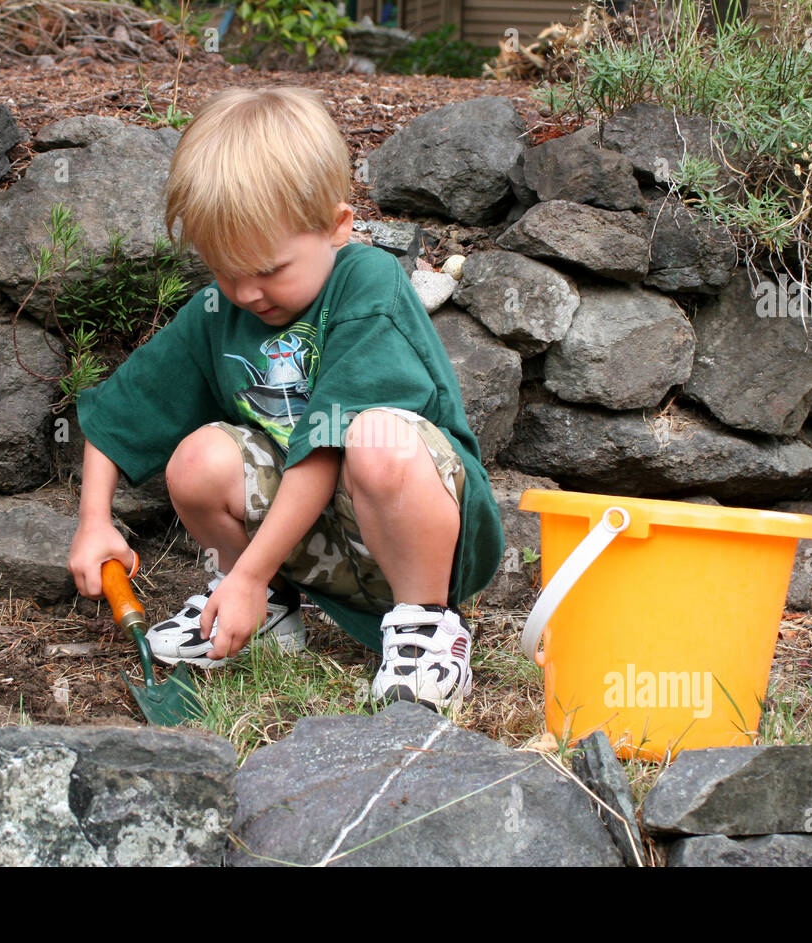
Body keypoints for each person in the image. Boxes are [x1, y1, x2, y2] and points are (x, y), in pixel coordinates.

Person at [66, 86, 504, 711]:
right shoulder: (219, 310)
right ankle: (268, 613)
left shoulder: (366, 284)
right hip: (308, 536)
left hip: (414, 528)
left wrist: (247, 571)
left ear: (337, 227)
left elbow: (325, 450)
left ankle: (427, 627)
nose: (246, 292)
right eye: (224, 269)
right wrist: (94, 523)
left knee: (377, 441)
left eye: (269, 270)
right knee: (195, 461)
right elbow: (118, 415)